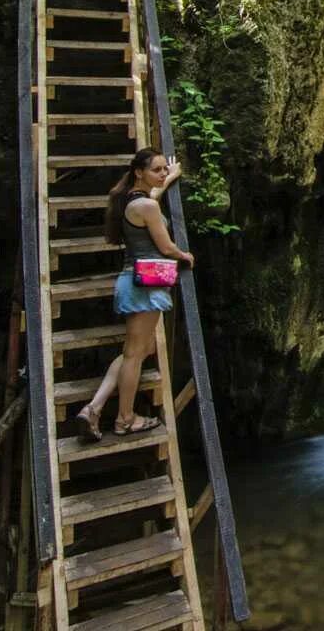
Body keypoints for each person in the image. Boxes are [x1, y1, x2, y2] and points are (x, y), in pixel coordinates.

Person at [75, 147, 194, 440]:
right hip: (145, 284)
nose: (163, 173)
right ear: (139, 172)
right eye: (157, 169)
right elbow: (166, 247)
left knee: (140, 350)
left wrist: (170, 177)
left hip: (133, 281)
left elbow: (152, 197)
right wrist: (185, 255)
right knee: (134, 355)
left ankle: (94, 407)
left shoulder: (131, 199)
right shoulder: (147, 207)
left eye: (164, 168)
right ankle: (125, 419)